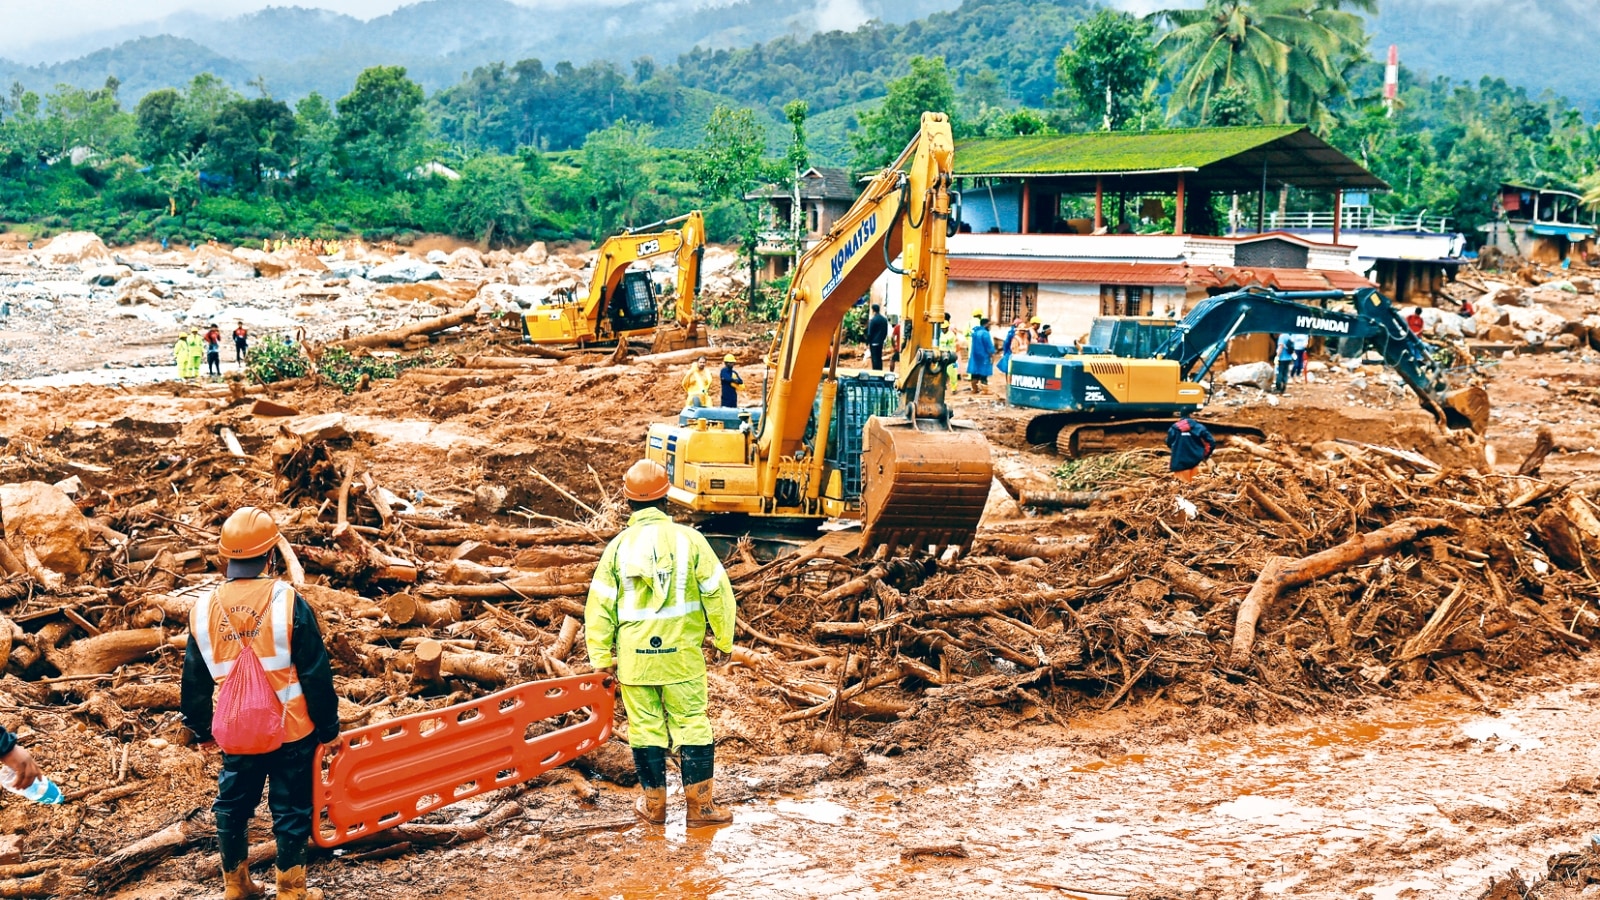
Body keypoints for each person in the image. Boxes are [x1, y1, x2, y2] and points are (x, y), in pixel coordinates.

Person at [182, 508, 340, 900]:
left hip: (238, 733)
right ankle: (291, 891)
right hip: (293, 731)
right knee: (292, 810)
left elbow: (194, 682)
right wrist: (329, 729)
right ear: (270, 555)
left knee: (233, 804)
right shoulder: (287, 601)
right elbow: (316, 673)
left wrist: (201, 730)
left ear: (225, 557)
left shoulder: (202, 610)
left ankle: (236, 886)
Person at [586, 460, 737, 827]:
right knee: (692, 723)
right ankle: (701, 809)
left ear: (627, 501)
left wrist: (601, 658)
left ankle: (654, 808)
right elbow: (718, 593)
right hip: (681, 658)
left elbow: (599, 606)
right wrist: (724, 639)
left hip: (636, 659)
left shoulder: (617, 548)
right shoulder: (690, 541)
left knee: (644, 728)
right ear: (666, 497)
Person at [1166, 417, 1215, 483]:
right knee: (1194, 485)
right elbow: (1211, 442)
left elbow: (1169, 442)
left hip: (1179, 462)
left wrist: (1177, 449)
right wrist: (1205, 455)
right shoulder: (1199, 427)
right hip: (1195, 462)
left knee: (1181, 486)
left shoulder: (1174, 429)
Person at [968, 317, 995, 392]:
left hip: (975, 356)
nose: (990, 326)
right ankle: (984, 390)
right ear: (986, 324)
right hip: (984, 357)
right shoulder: (985, 333)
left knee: (974, 374)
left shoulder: (975, 332)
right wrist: (992, 355)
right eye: (989, 325)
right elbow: (989, 346)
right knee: (984, 374)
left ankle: (974, 389)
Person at [865, 303, 888, 371]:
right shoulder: (884, 320)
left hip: (873, 342)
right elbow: (885, 331)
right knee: (879, 358)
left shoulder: (873, 320)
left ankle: (875, 372)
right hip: (880, 342)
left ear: (873, 310)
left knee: (874, 359)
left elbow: (869, 333)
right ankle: (880, 372)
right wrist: (882, 339)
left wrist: (867, 342)